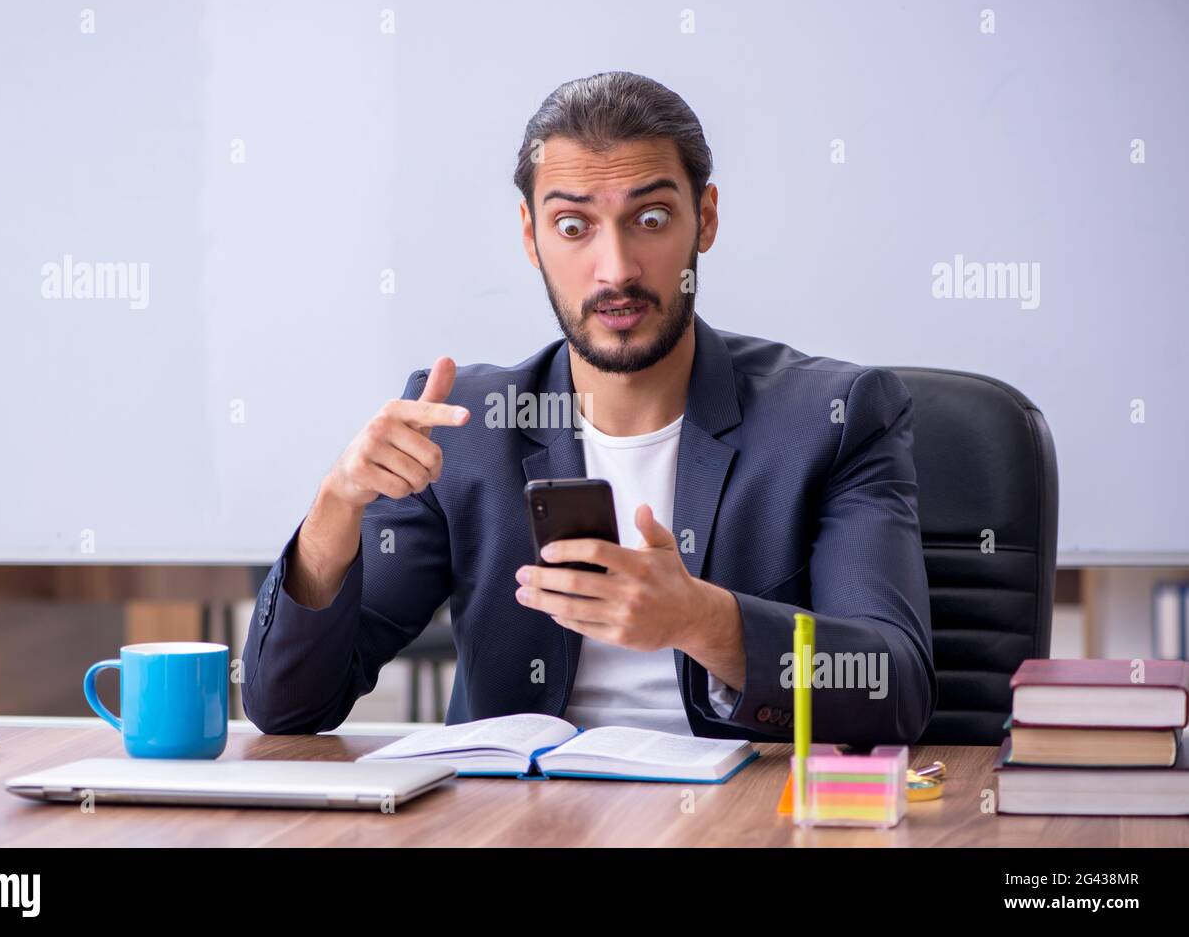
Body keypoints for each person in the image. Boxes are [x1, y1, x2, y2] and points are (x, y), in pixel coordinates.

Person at [241, 71, 937, 743]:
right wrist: (337, 503)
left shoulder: (834, 419)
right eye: (574, 226)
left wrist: (704, 620)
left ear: (707, 219)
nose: (617, 269)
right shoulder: (465, 426)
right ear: (530, 236)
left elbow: (892, 686)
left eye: (652, 218)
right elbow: (291, 705)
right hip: (519, 823)